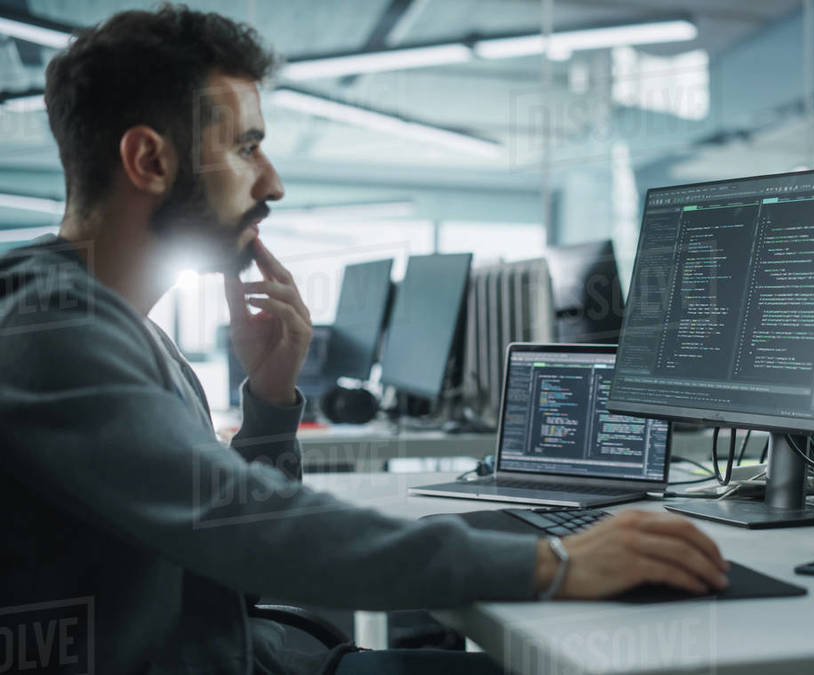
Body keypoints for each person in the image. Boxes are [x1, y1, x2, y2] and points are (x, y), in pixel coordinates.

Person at [0, 6, 728, 674]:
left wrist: (272, 396)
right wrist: (555, 562)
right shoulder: (53, 331)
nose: (274, 183)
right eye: (247, 147)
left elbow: (226, 547)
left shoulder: (113, 324)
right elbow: (253, 533)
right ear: (149, 161)